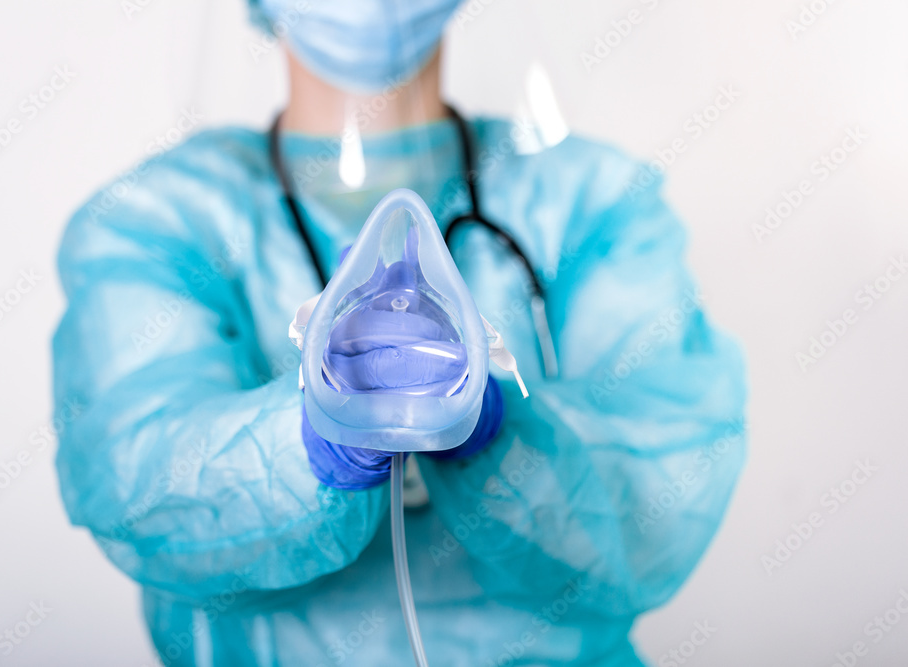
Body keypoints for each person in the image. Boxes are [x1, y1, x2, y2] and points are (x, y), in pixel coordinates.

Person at [52, 1, 747, 665]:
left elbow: (662, 501)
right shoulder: (157, 221)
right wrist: (315, 437)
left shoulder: (593, 202)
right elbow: (136, 484)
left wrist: (496, 429)